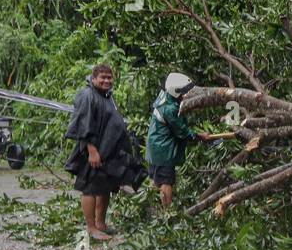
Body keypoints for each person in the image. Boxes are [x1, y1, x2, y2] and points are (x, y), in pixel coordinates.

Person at [65, 64, 145, 240]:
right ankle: (91, 228)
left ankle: (101, 224)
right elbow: (83, 124)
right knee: (90, 188)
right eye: (103, 77)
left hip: (108, 151)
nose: (107, 81)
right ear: (93, 79)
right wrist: (92, 150)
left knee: (105, 187)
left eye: (109, 77)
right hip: (93, 152)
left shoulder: (107, 96)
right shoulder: (87, 95)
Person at [146, 72, 213, 208]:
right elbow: (182, 131)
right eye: (184, 92)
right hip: (163, 150)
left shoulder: (165, 97)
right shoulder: (170, 108)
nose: (186, 94)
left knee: (156, 179)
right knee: (166, 181)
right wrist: (200, 136)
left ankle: (155, 209)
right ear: (176, 92)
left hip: (156, 146)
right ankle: (167, 212)